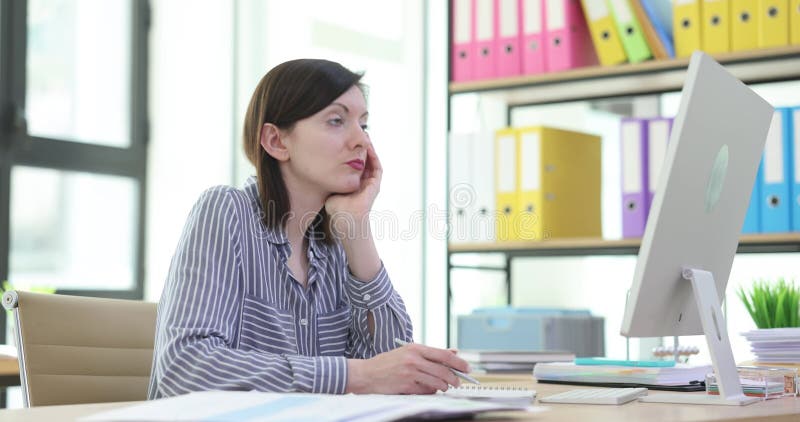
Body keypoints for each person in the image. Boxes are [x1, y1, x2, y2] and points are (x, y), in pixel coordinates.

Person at [148, 58, 470, 398]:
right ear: (276, 141)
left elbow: (388, 367)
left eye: (364, 124)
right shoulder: (227, 212)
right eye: (336, 120)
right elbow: (184, 368)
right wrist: (351, 375)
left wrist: (357, 231)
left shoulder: (332, 242)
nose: (361, 141)